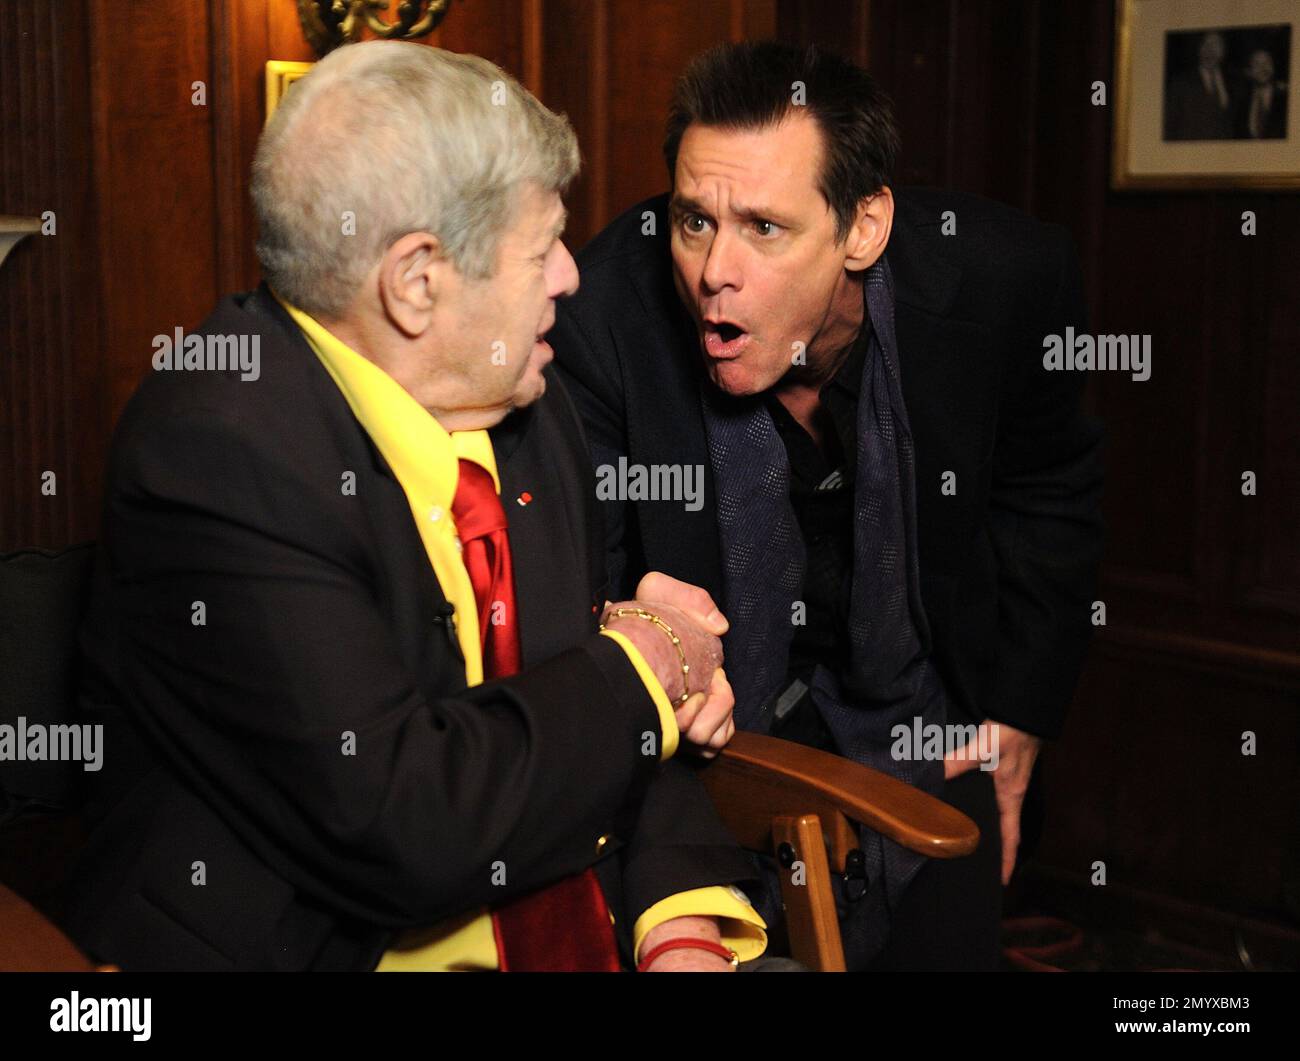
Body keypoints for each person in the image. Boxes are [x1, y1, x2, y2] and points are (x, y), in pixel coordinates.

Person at [61, 40, 769, 972]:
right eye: (541, 248)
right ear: (416, 282)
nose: (570, 274)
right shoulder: (215, 454)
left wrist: (679, 918)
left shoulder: (521, 398)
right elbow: (409, 823)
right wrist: (646, 667)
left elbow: (571, 702)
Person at [551, 40, 1104, 970]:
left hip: (932, 719)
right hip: (703, 757)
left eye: (765, 227)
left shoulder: (1006, 280)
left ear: (864, 228)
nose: (714, 271)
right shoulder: (603, 310)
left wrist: (1021, 715)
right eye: (694, 220)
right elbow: (577, 578)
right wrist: (633, 626)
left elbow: (1051, 489)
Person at [1164, 31, 1236, 141]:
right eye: (1206, 44)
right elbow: (1170, 123)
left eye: (1216, 44)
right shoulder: (1181, 82)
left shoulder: (1234, 82)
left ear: (1223, 51)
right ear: (1199, 49)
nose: (1210, 49)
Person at [1237, 48, 1287, 139]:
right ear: (1248, 71)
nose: (1263, 68)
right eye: (1257, 64)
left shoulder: (1285, 97)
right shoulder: (1242, 101)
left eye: (1267, 62)